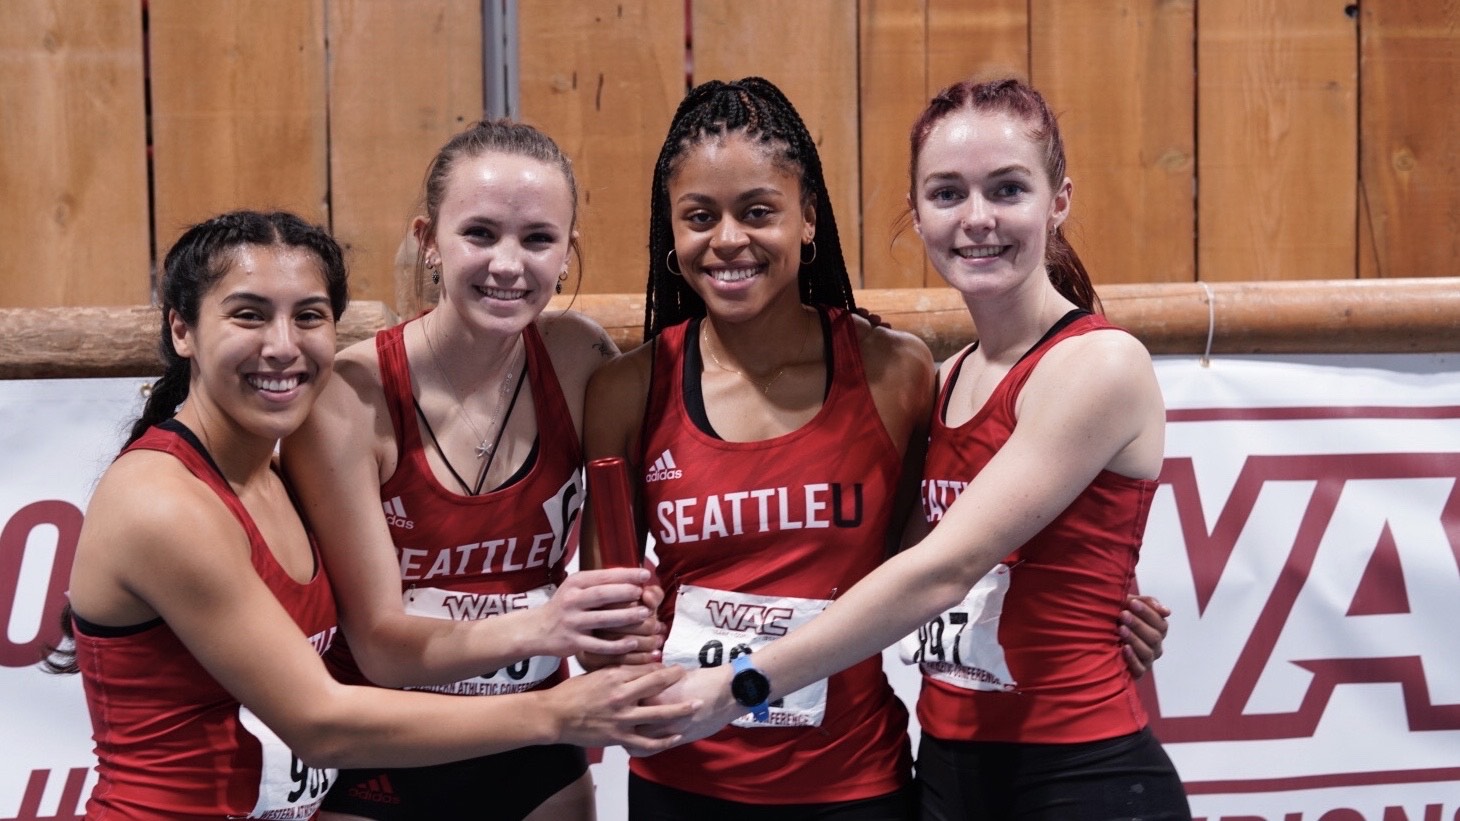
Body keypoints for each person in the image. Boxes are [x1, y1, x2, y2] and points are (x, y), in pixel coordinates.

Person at [580, 77, 1170, 820]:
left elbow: (935, 568)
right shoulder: (952, 377)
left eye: (1007, 188)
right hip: (918, 768)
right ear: (918, 214)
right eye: (948, 192)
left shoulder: (914, 372)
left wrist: (741, 681)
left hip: (944, 775)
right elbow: (960, 555)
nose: (977, 218)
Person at [49, 210, 694, 821]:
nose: (282, 346)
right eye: (248, 315)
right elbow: (322, 725)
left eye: (309, 317)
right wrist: (558, 713)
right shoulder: (163, 503)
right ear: (181, 330)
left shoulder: (274, 480)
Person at [280, 119, 661, 821]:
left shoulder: (580, 360)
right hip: (388, 746)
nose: (508, 264)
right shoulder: (349, 398)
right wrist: (545, 626)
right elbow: (382, 646)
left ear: (568, 252)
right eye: (480, 234)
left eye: (537, 239)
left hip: (536, 748)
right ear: (429, 241)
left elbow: (626, 566)